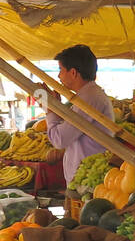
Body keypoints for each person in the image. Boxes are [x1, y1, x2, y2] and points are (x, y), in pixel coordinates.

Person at [42, 45, 114, 186]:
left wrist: (50, 110)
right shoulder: (86, 96)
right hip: (85, 176)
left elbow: (60, 139)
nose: (58, 76)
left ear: (73, 72)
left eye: (61, 70)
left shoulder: (89, 98)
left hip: (89, 179)